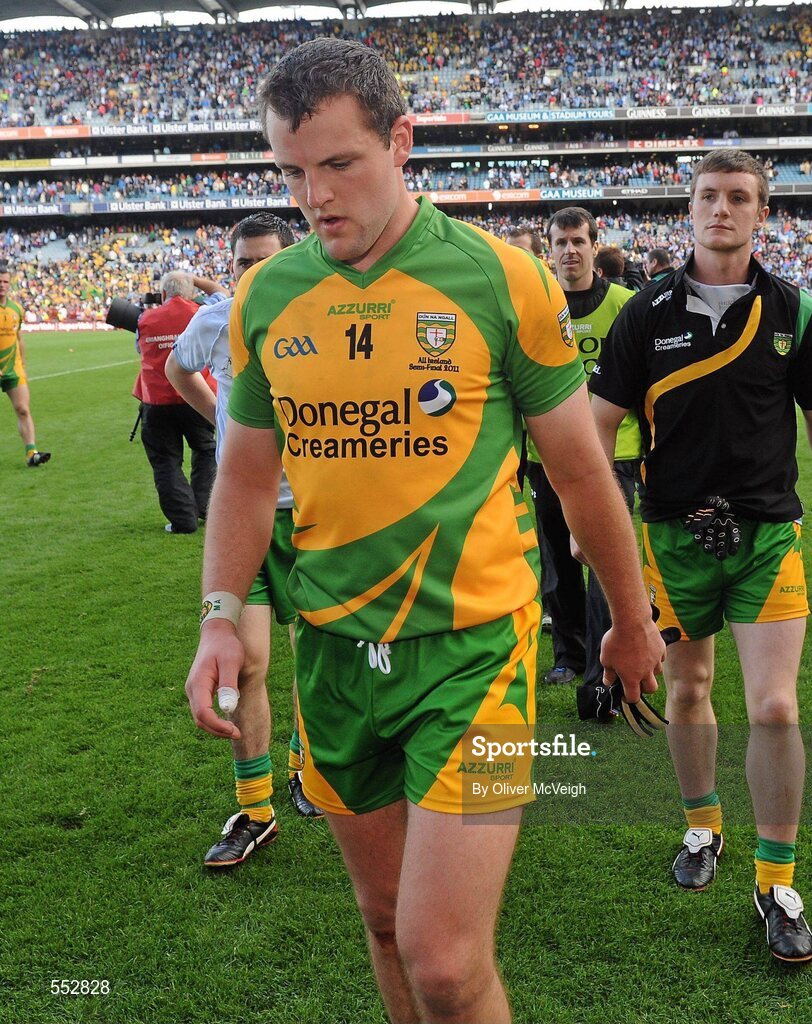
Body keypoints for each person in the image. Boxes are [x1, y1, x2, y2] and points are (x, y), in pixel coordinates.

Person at [183, 38, 663, 1024]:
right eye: (292, 171)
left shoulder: (499, 280)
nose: (314, 195)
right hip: (333, 657)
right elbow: (241, 473)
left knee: (444, 961)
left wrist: (628, 616)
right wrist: (221, 614)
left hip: (473, 655)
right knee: (383, 923)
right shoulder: (267, 298)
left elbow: (578, 470)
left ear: (401, 141)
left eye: (339, 163)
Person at [589, 150, 812, 963]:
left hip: (767, 538)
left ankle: (777, 881)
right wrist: (600, 513)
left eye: (739, 198)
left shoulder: (794, 310)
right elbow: (596, 422)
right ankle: (702, 826)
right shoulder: (645, 311)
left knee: (776, 707)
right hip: (672, 538)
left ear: (761, 213)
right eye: (709, 196)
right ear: (690, 209)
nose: (723, 209)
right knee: (689, 688)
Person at [166, 213, 324, 869]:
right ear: (228, 270)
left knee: (317, 659)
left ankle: (304, 767)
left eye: (267, 261)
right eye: (242, 264)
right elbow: (180, 370)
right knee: (249, 661)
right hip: (246, 515)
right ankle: (256, 811)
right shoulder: (217, 317)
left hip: (317, 513)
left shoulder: (323, 317)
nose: (254, 275)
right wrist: (223, 426)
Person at [526, 207, 641, 694]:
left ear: (595, 246)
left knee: (602, 556)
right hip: (544, 456)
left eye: (578, 241)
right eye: (560, 242)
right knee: (557, 560)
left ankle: (601, 665)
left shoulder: (625, 303)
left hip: (614, 452)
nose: (569, 250)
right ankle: (568, 657)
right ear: (548, 250)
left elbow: (646, 384)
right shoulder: (533, 304)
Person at [134, 271, 222, 533]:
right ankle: (206, 506)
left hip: (157, 400)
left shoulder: (144, 319)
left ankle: (183, 520)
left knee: (165, 461)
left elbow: (140, 349)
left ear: (162, 294)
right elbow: (219, 290)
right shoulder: (204, 310)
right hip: (196, 395)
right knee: (206, 451)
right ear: (191, 292)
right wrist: (193, 280)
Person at [0, 265, 50, 467]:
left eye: (5, 281)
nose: (2, 285)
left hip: (13, 369)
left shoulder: (16, 309)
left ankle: (32, 453)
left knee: (23, 409)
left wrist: (23, 365)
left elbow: (19, 338)